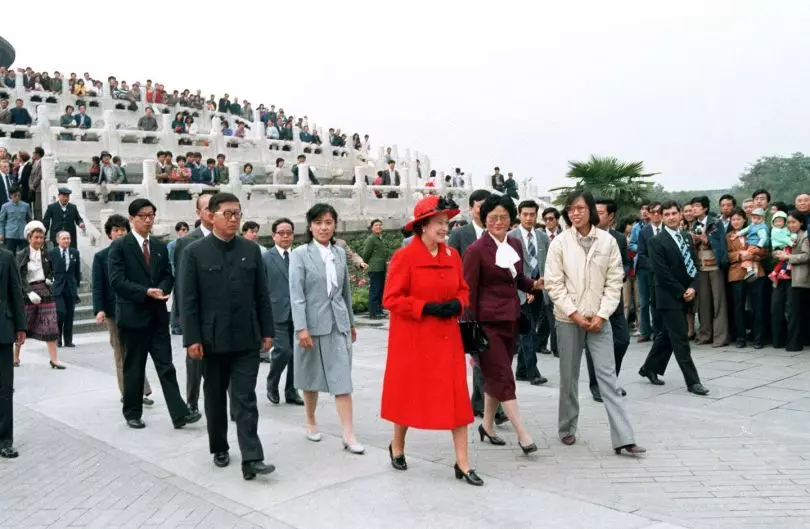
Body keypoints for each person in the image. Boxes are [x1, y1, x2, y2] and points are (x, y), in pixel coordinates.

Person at [381, 195, 483, 486]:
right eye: (439, 223)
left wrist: (458, 304)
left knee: (456, 399)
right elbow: (390, 299)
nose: (444, 228)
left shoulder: (452, 255)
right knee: (407, 394)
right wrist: (425, 307)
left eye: (446, 223)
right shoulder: (405, 257)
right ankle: (397, 446)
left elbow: (463, 289)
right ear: (422, 225)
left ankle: (462, 463)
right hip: (414, 339)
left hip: (447, 339)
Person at [182, 192, 276, 480]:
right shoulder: (194, 252)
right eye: (228, 213)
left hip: (246, 337)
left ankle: (252, 457)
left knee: (245, 396)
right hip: (212, 340)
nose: (234, 218)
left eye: (238, 213)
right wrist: (192, 339)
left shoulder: (250, 250)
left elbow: (262, 294)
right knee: (214, 397)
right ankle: (219, 446)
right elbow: (189, 301)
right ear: (211, 216)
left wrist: (268, 331)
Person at [545, 190, 644, 455]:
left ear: (590, 210)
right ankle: (567, 428)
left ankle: (624, 437)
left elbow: (615, 281)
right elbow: (554, 284)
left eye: (580, 208)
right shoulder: (560, 243)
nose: (575, 213)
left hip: (600, 320)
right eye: (571, 209)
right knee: (569, 377)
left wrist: (601, 315)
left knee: (608, 378)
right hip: (568, 319)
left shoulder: (608, 242)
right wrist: (575, 314)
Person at [108, 198, 201, 429]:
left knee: (166, 366)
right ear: (132, 219)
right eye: (143, 216)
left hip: (158, 317)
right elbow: (117, 281)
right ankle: (132, 412)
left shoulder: (159, 246)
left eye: (151, 215)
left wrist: (165, 289)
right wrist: (144, 291)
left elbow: (168, 275)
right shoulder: (120, 247)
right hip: (133, 317)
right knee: (134, 366)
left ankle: (179, 414)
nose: (148, 220)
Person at [463, 194, 542, 454]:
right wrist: (469, 330)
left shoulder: (515, 245)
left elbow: (517, 278)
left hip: (511, 319)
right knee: (504, 377)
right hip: (486, 324)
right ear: (485, 220)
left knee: (497, 375)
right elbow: (468, 293)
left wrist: (533, 285)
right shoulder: (475, 251)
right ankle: (523, 433)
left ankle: (487, 425)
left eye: (504, 217)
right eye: (493, 217)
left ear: (511, 219)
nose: (498, 222)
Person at [289, 204, 362, 453]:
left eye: (329, 222)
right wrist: (301, 329)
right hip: (310, 325)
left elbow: (345, 292)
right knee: (310, 378)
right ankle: (310, 421)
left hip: (338, 324)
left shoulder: (339, 253)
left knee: (342, 379)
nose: (324, 227)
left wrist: (350, 322)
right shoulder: (300, 254)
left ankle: (348, 435)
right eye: (319, 222)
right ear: (310, 226)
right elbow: (296, 295)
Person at [638, 201, 710, 396]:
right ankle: (693, 382)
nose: (670, 217)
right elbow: (662, 273)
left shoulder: (686, 237)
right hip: (668, 297)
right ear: (661, 217)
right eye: (666, 214)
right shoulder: (656, 241)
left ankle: (649, 368)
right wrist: (681, 291)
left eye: (673, 213)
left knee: (667, 336)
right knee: (680, 339)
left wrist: (693, 287)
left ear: (680, 215)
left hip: (687, 293)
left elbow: (694, 265)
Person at [447, 189, 506, 424]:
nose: (485, 212)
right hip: (469, 307)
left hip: (495, 308)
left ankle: (480, 403)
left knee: (487, 358)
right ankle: (494, 408)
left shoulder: (500, 234)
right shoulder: (461, 234)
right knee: (482, 357)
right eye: (481, 207)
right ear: (471, 208)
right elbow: (452, 266)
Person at [92, 215, 153, 405]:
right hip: (112, 311)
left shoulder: (133, 253)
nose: (119, 233)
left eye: (122, 230)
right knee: (120, 352)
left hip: (134, 307)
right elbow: (97, 285)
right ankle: (128, 393)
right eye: (115, 230)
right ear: (109, 234)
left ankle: (142, 390)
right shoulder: (101, 256)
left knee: (136, 350)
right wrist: (99, 309)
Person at [584, 197, 632, 403]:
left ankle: (610, 381)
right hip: (592, 301)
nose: (595, 216)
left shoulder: (619, 238)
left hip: (614, 301)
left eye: (600, 212)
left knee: (622, 340)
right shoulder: (585, 236)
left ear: (611, 216)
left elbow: (626, 263)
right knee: (593, 343)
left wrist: (622, 273)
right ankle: (596, 385)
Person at [173, 194, 212, 415]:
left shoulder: (228, 238)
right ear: (198, 212)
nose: (210, 211)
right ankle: (192, 401)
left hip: (222, 313)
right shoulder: (186, 242)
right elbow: (181, 283)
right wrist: (181, 315)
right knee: (195, 362)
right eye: (206, 208)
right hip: (196, 312)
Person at [263, 218, 304, 406]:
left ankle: (291, 390)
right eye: (281, 233)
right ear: (274, 236)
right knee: (283, 350)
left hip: (297, 313)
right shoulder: (266, 258)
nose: (286, 236)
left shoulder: (299, 256)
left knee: (296, 353)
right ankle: (272, 383)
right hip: (275, 312)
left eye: (289, 232)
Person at [507, 200, 548, 386]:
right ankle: (533, 372)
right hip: (520, 291)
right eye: (525, 214)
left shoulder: (542, 237)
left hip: (539, 288)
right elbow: (509, 268)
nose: (529, 218)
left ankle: (522, 370)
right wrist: (524, 288)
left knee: (529, 329)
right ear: (519, 214)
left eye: (532, 214)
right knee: (528, 331)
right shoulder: (510, 236)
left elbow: (546, 262)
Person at [14, 221, 63, 369]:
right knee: (22, 325)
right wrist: (28, 292)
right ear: (29, 238)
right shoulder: (21, 255)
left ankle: (54, 360)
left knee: (51, 325)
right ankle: (15, 357)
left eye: (41, 237)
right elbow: (18, 276)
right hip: (27, 293)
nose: (39, 240)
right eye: (36, 237)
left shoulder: (46, 253)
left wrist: (50, 277)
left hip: (45, 292)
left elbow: (53, 269)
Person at [690, 196, 729, 347]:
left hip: (715, 266)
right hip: (701, 267)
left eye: (697, 206)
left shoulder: (715, 222)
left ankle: (721, 337)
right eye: (693, 206)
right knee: (703, 303)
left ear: (705, 208)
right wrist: (694, 240)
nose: (694, 209)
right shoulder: (694, 225)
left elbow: (721, 244)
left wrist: (706, 239)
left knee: (719, 302)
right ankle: (705, 334)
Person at [726, 208, 767, 349]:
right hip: (737, 274)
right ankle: (741, 337)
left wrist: (754, 254)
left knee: (758, 306)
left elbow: (765, 250)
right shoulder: (728, 236)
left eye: (739, 219)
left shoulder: (754, 230)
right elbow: (726, 255)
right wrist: (740, 254)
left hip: (756, 272)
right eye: (733, 220)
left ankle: (758, 338)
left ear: (745, 219)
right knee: (738, 307)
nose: (736, 222)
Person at [0, 242, 25, 459]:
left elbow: (16, 292)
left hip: (3, 331)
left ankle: (5, 439)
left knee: (5, 388)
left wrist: (20, 326)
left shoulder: (7, 257)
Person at [773, 210, 809, 352]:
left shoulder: (804, 236)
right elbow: (776, 248)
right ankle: (779, 340)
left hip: (797, 277)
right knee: (777, 308)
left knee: (793, 311)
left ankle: (794, 343)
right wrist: (777, 253)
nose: (791, 225)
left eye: (794, 222)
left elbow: (807, 256)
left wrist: (789, 257)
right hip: (783, 275)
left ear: (801, 222)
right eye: (789, 222)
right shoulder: (785, 234)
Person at [635, 201, 663, 343]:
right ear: (649, 214)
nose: (656, 215)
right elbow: (641, 254)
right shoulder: (643, 232)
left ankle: (659, 331)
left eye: (659, 212)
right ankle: (645, 331)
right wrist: (655, 266)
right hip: (645, 271)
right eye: (653, 212)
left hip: (663, 273)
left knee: (658, 302)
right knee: (644, 302)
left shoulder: (667, 230)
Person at [537, 207, 562, 356]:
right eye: (545, 219)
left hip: (558, 278)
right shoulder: (540, 236)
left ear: (557, 220)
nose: (548, 222)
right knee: (546, 314)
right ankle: (548, 345)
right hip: (541, 279)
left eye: (551, 219)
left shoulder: (564, 235)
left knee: (549, 313)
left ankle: (549, 345)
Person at [49, 231, 80, 348]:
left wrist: (75, 285)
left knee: (70, 314)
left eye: (68, 238)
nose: (66, 240)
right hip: (57, 288)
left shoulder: (74, 252)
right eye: (63, 238)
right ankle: (57, 338)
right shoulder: (52, 253)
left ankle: (68, 340)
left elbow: (77, 272)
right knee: (60, 312)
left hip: (70, 287)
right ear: (58, 240)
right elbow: (49, 270)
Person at [361, 219, 389, 319]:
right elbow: (365, 254)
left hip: (381, 268)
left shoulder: (379, 239)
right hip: (374, 269)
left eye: (380, 225)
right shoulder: (371, 239)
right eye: (376, 225)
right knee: (375, 290)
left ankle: (379, 310)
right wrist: (366, 264)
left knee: (380, 290)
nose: (378, 227)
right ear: (372, 227)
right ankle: (373, 312)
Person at [0, 186, 32, 255]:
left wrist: (30, 232)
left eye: (19, 196)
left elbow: (30, 220)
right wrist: (1, 233)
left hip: (23, 234)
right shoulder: (5, 206)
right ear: (11, 196)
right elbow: (1, 221)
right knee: (10, 255)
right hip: (10, 234)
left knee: (25, 255)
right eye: (15, 195)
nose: (17, 197)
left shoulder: (26, 206)